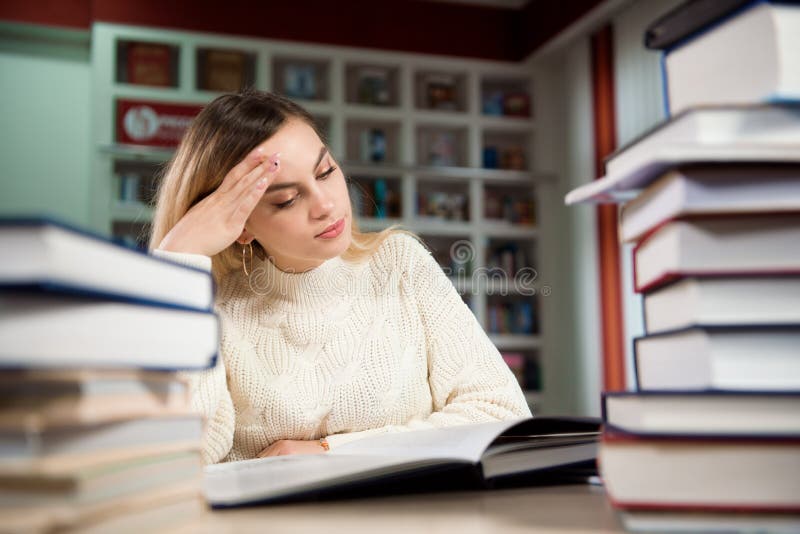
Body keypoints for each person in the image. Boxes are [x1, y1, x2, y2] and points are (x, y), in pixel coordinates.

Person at [149, 89, 531, 465]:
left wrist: (334, 451)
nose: (326, 204)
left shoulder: (399, 264)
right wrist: (181, 258)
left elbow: (503, 413)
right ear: (241, 226)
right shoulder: (209, 307)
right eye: (287, 199)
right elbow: (179, 459)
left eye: (326, 171)